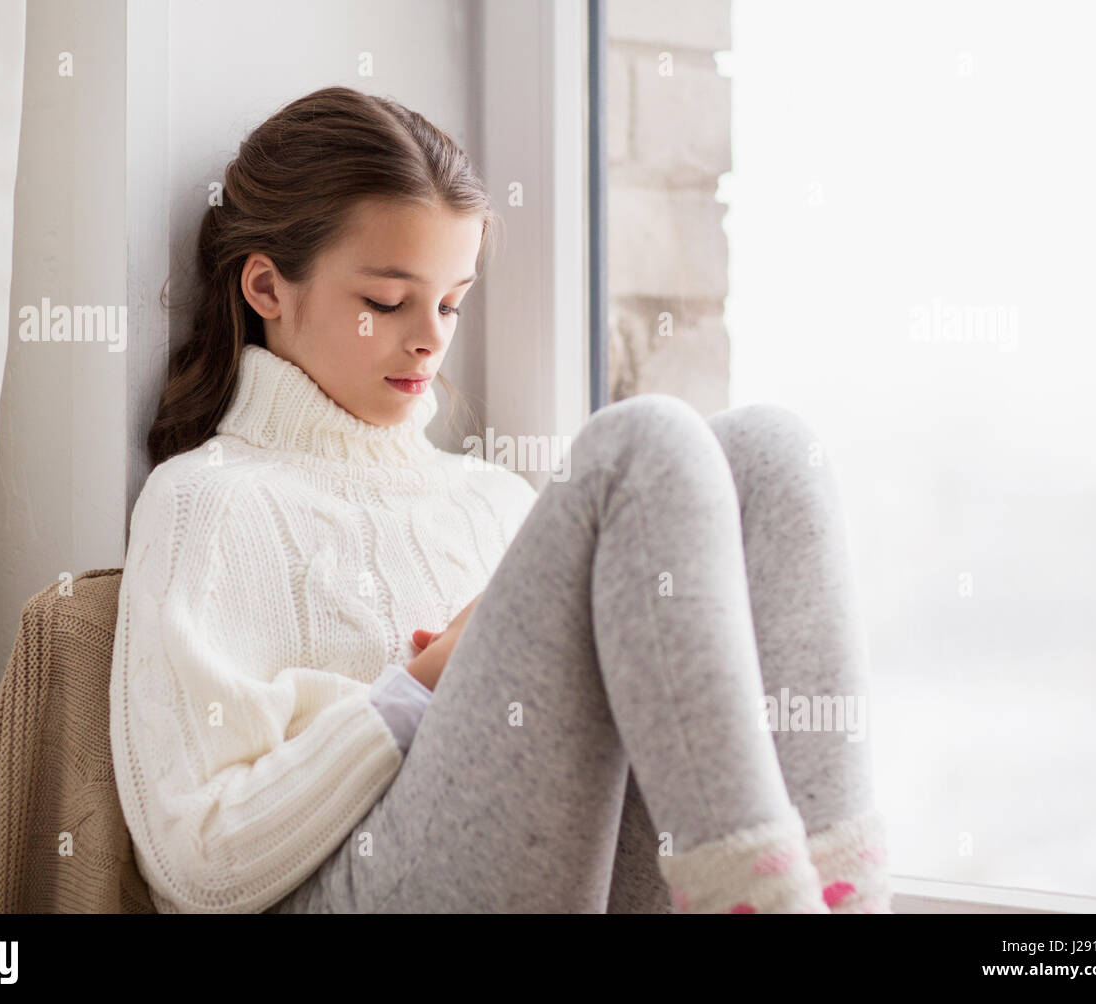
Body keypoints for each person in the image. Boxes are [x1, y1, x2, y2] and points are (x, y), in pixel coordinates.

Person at [109, 85, 892, 914]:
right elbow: (195, 859)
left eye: (451, 302)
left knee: (769, 452)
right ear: (266, 288)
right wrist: (416, 687)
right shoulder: (210, 503)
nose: (431, 338)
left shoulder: (490, 500)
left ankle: (840, 900)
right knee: (641, 445)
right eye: (386, 302)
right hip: (337, 894)